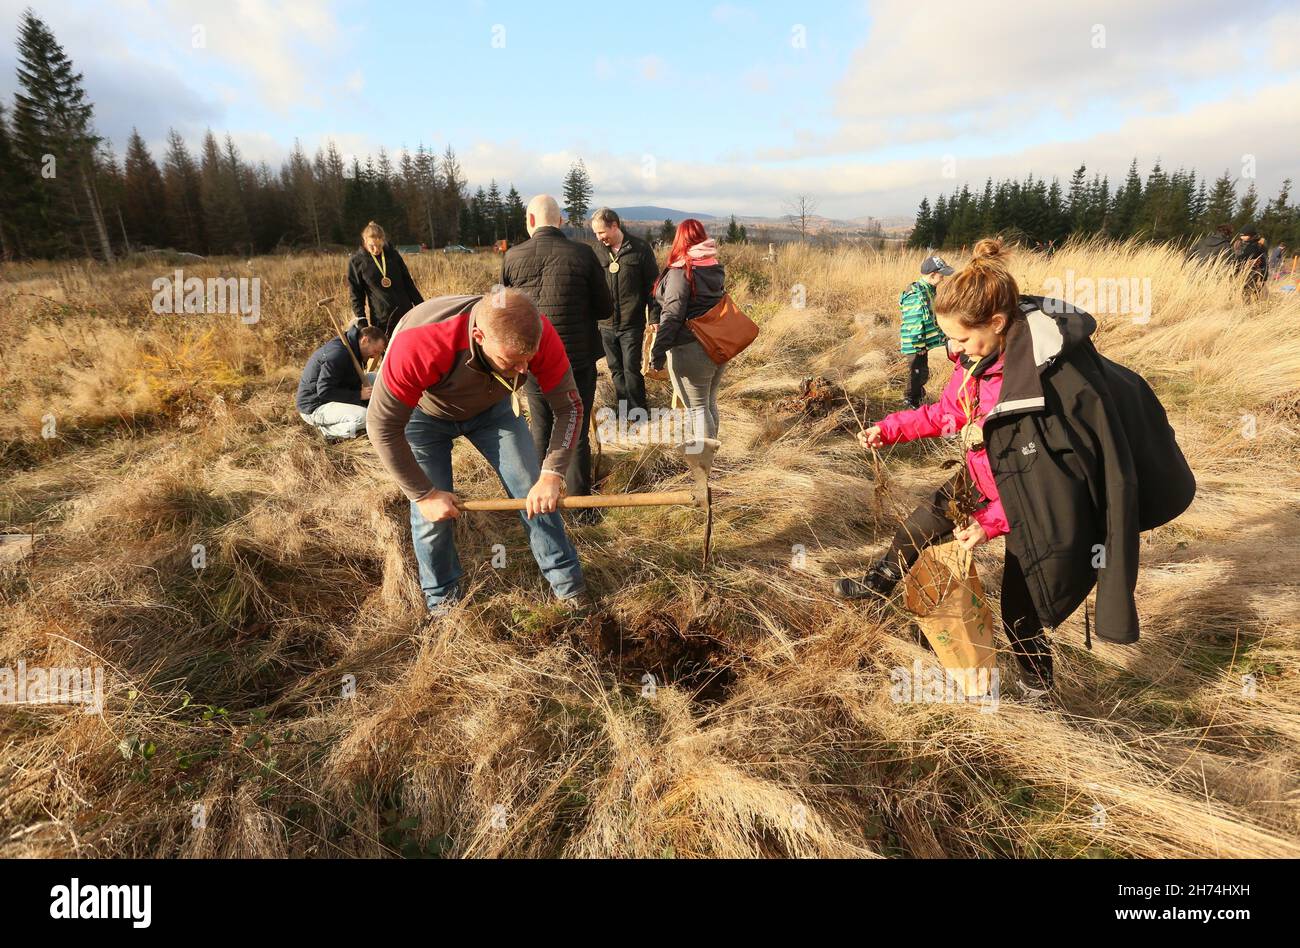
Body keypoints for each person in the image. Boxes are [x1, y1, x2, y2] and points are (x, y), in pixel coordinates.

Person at [833, 238, 1195, 697]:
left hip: (1030, 503)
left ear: (998, 323)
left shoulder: (1042, 386)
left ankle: (1038, 689)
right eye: (949, 336)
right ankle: (881, 583)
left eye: (961, 337)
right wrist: (889, 429)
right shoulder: (974, 363)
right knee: (915, 529)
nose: (952, 347)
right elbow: (947, 414)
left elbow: (1048, 480)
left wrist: (989, 523)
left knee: (1021, 614)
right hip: (982, 475)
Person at [366, 288, 590, 614]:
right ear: (478, 336)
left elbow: (570, 408)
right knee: (431, 519)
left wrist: (553, 471)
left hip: (494, 410)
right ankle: (444, 606)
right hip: (426, 417)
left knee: (534, 492)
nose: (524, 371)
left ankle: (570, 590)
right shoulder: (421, 342)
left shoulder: (536, 331)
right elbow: (381, 426)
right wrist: (425, 495)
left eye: (529, 360)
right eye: (511, 362)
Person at [502, 195, 613, 521]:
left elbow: (499, 311)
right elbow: (605, 308)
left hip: (532, 361)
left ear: (531, 222)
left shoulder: (512, 257)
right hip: (576, 358)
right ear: (561, 221)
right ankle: (582, 510)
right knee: (575, 429)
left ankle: (540, 507)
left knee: (541, 426)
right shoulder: (583, 254)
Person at [648, 219, 726, 442]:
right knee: (708, 403)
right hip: (717, 345)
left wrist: (658, 351)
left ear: (679, 239)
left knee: (697, 409)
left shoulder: (682, 272)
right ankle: (709, 459)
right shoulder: (713, 266)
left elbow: (672, 316)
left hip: (690, 348)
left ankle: (703, 465)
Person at [590, 207, 659, 427]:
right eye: (596, 234)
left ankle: (639, 416)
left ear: (614, 225)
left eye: (602, 232)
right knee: (616, 370)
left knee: (631, 369)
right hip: (605, 325)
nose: (599, 238)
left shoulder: (640, 249)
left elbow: (652, 287)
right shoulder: (597, 253)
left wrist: (654, 318)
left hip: (632, 323)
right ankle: (623, 414)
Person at [296, 323, 387, 439]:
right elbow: (324, 391)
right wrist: (358, 395)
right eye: (375, 351)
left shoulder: (353, 347)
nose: (375, 356)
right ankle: (327, 431)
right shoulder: (337, 355)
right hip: (315, 406)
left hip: (334, 395)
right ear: (364, 340)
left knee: (374, 378)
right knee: (363, 417)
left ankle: (383, 411)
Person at [347, 221, 424, 335]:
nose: (376, 250)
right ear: (364, 241)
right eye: (371, 246)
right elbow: (356, 294)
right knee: (389, 351)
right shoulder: (357, 262)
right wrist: (361, 320)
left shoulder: (393, 255)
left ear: (383, 241)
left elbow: (408, 283)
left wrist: (421, 305)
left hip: (406, 314)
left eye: (379, 245)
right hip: (382, 320)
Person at [899, 255, 952, 409]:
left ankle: (919, 396)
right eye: (941, 275)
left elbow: (930, 317)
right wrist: (919, 345)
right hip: (915, 345)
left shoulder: (929, 290)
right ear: (932, 275)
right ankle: (911, 401)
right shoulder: (916, 293)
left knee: (922, 371)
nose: (943, 279)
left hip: (922, 344)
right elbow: (914, 320)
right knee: (916, 372)